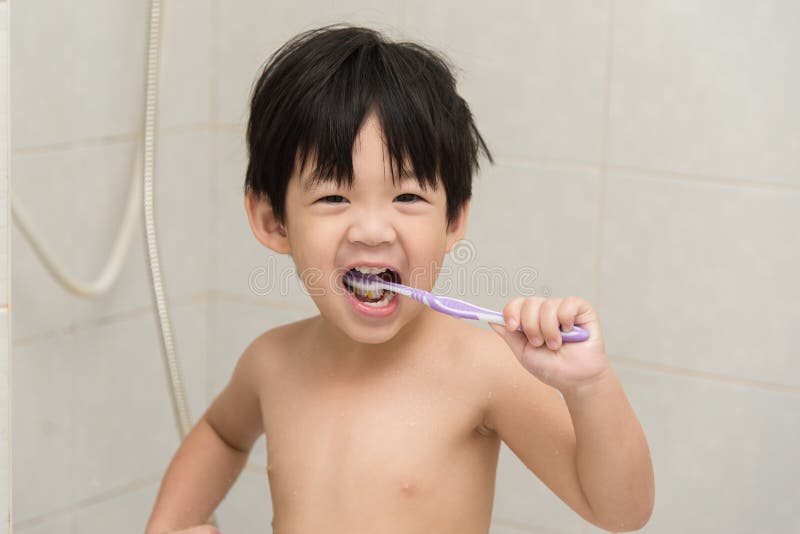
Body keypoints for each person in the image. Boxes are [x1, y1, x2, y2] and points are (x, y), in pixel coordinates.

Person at [145, 24, 654, 534]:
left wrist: (589, 388)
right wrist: (167, 527)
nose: (371, 229)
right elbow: (222, 434)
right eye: (333, 198)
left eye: (408, 197)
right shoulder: (271, 363)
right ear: (273, 222)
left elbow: (620, 512)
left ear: (453, 220)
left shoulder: (483, 371)